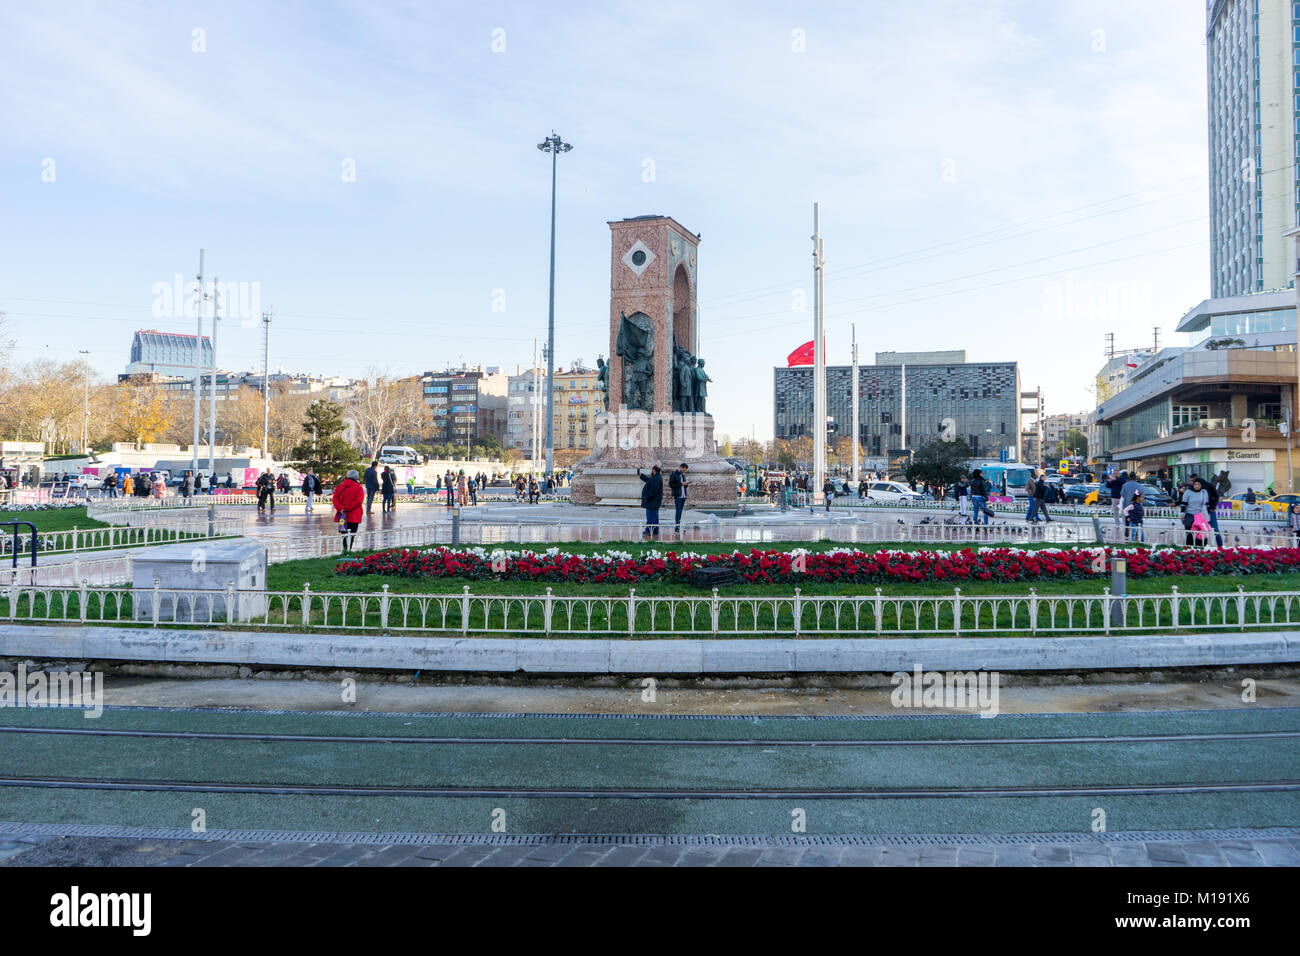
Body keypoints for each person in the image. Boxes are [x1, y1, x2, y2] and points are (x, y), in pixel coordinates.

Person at [332, 469, 365, 553]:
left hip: (342, 515)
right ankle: (349, 549)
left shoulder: (340, 487)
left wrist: (341, 508)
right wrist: (347, 508)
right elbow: (358, 501)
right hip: (354, 515)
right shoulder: (359, 488)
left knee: (344, 534)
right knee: (352, 533)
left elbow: (335, 499)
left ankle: (345, 549)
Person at [1181, 477, 1211, 546]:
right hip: (1190, 515)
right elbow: (1184, 503)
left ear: (1202, 485)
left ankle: (1200, 548)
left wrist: (1207, 515)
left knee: (1201, 533)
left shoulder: (1204, 492)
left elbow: (1206, 504)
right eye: (1195, 484)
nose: (1197, 486)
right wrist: (1182, 514)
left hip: (1200, 516)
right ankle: (1189, 547)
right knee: (1189, 533)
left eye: (1199, 485)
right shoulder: (1188, 492)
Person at [637, 465, 663, 538]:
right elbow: (649, 481)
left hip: (652, 501)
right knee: (654, 516)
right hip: (653, 501)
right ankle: (655, 530)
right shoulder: (656, 477)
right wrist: (642, 476)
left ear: (654, 470)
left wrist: (647, 498)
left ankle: (649, 530)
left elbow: (654, 491)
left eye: (652, 469)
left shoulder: (657, 478)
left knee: (651, 516)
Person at [669, 463, 689, 532]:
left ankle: (679, 526)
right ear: (680, 467)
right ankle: (677, 527)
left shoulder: (682, 475)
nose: (684, 471)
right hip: (678, 496)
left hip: (683, 496)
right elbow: (671, 484)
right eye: (684, 469)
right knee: (678, 511)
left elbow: (684, 485)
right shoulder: (674, 474)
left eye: (685, 470)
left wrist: (686, 484)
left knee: (680, 512)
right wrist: (681, 484)